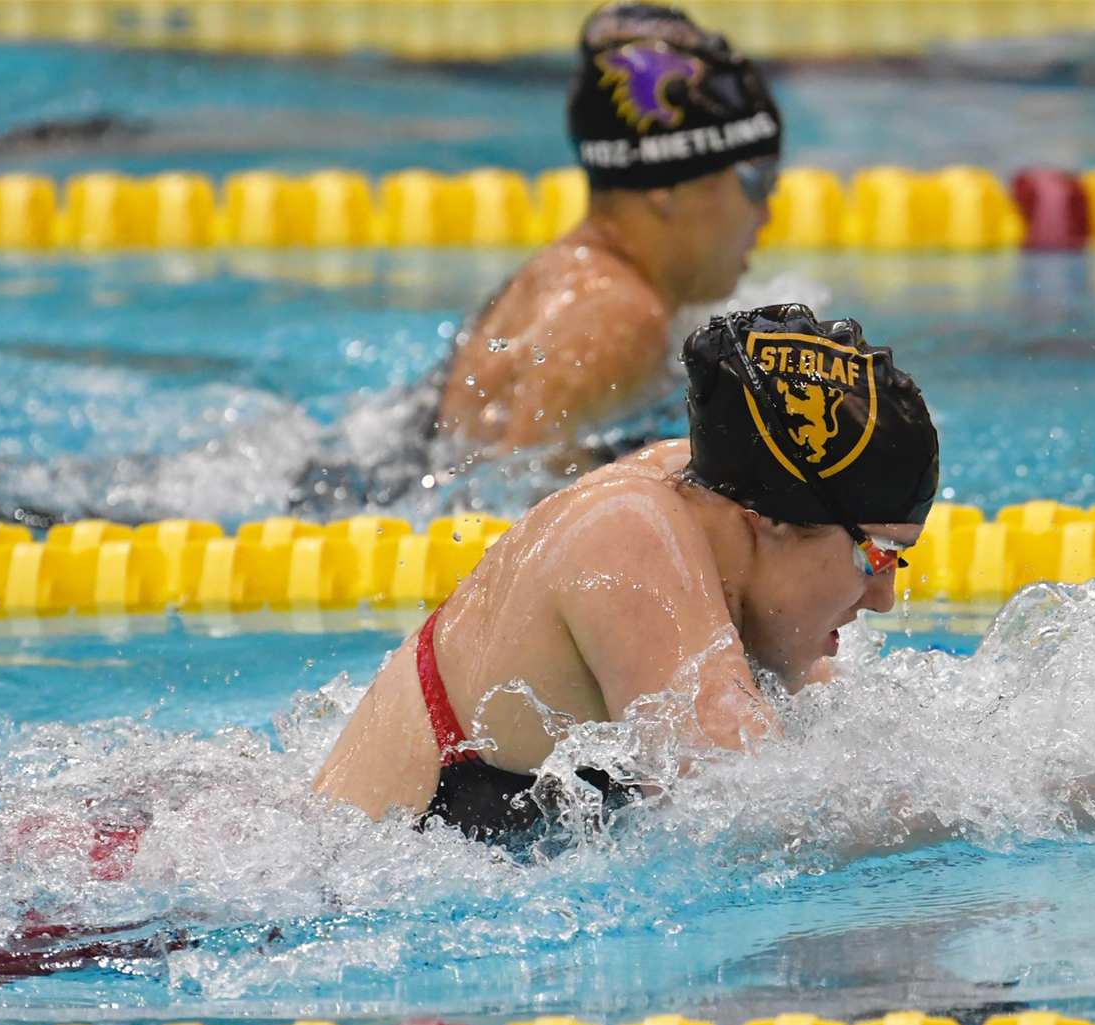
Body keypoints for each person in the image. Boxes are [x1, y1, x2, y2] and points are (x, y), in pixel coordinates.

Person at [312, 304, 940, 844]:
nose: (883, 598)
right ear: (769, 523)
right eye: (877, 556)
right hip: (304, 926)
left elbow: (829, 756)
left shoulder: (712, 504)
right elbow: (762, 822)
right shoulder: (631, 532)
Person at [428, 1, 785, 449]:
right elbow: (518, 500)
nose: (766, 214)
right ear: (666, 185)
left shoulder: (567, 275)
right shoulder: (623, 315)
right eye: (758, 182)